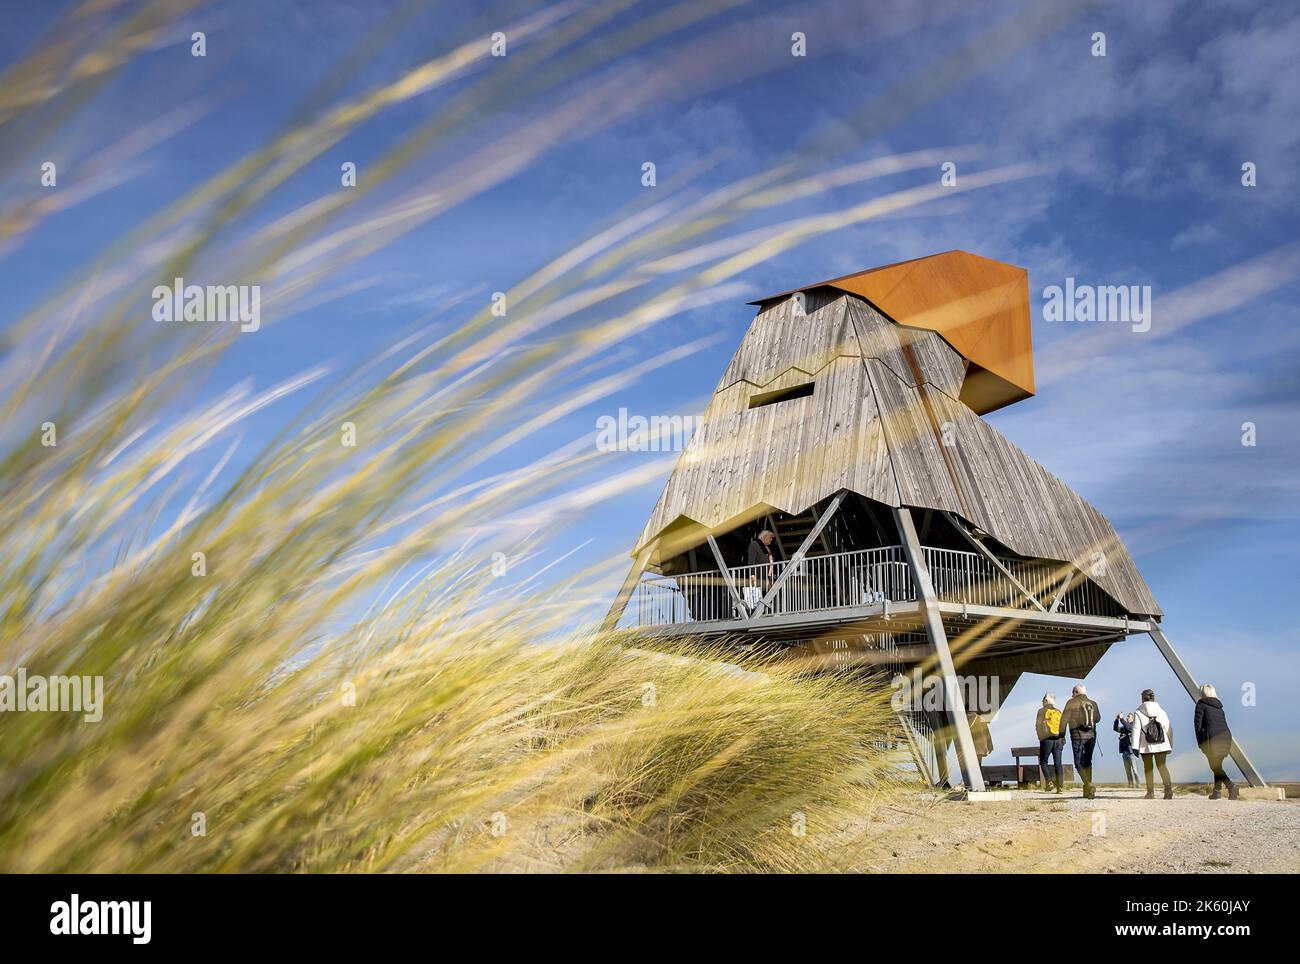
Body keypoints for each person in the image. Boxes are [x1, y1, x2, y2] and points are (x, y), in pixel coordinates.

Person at [1194, 683, 1239, 800]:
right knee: (1217, 765)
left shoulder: (1201, 705)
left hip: (1212, 739)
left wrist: (1200, 743)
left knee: (1215, 767)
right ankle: (1217, 792)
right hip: (1225, 737)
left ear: (1202, 693)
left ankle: (1231, 786)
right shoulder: (1219, 707)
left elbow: (1197, 726)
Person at [1058, 684, 1102, 798]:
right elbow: (1098, 719)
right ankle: (1088, 789)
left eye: (1073, 693)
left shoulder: (1071, 703)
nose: (1072, 695)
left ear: (1076, 692)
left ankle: (1088, 784)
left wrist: (1061, 736)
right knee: (1088, 761)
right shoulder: (1093, 703)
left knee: (1078, 762)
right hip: (1092, 736)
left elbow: (1063, 720)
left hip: (1077, 736)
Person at [1134, 688, 1174, 799]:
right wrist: (1170, 744)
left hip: (1145, 744)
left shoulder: (1138, 712)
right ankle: (1168, 790)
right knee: (1162, 766)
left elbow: (1136, 730)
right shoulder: (1162, 711)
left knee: (1148, 768)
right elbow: (1168, 729)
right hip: (1162, 743)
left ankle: (1150, 793)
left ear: (1142, 698)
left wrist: (1134, 747)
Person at [1035, 693, 1064, 793]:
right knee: (1058, 763)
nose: (1042, 702)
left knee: (1043, 761)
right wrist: (1062, 738)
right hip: (1058, 740)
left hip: (1046, 740)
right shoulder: (1058, 711)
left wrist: (1041, 738)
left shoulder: (1041, 711)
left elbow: (1037, 726)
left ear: (1046, 701)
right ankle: (1060, 787)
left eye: (1043, 701)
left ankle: (1049, 782)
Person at [743, 530, 776, 612]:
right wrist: (752, 576)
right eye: (770, 537)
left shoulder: (767, 548)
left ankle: (767, 612)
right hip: (758, 576)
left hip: (767, 577)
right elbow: (751, 562)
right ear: (763, 536)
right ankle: (759, 614)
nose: (771, 539)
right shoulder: (754, 544)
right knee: (759, 597)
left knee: (769, 595)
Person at [1114, 712, 1140, 788]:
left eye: (1129, 716)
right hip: (1124, 751)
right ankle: (1130, 784)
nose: (1127, 718)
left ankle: (1138, 784)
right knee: (1128, 770)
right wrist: (1117, 719)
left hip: (1131, 752)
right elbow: (1116, 728)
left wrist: (1121, 719)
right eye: (1127, 717)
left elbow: (1129, 728)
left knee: (1135, 770)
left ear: (1132, 718)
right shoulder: (1125, 727)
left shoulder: (1133, 726)